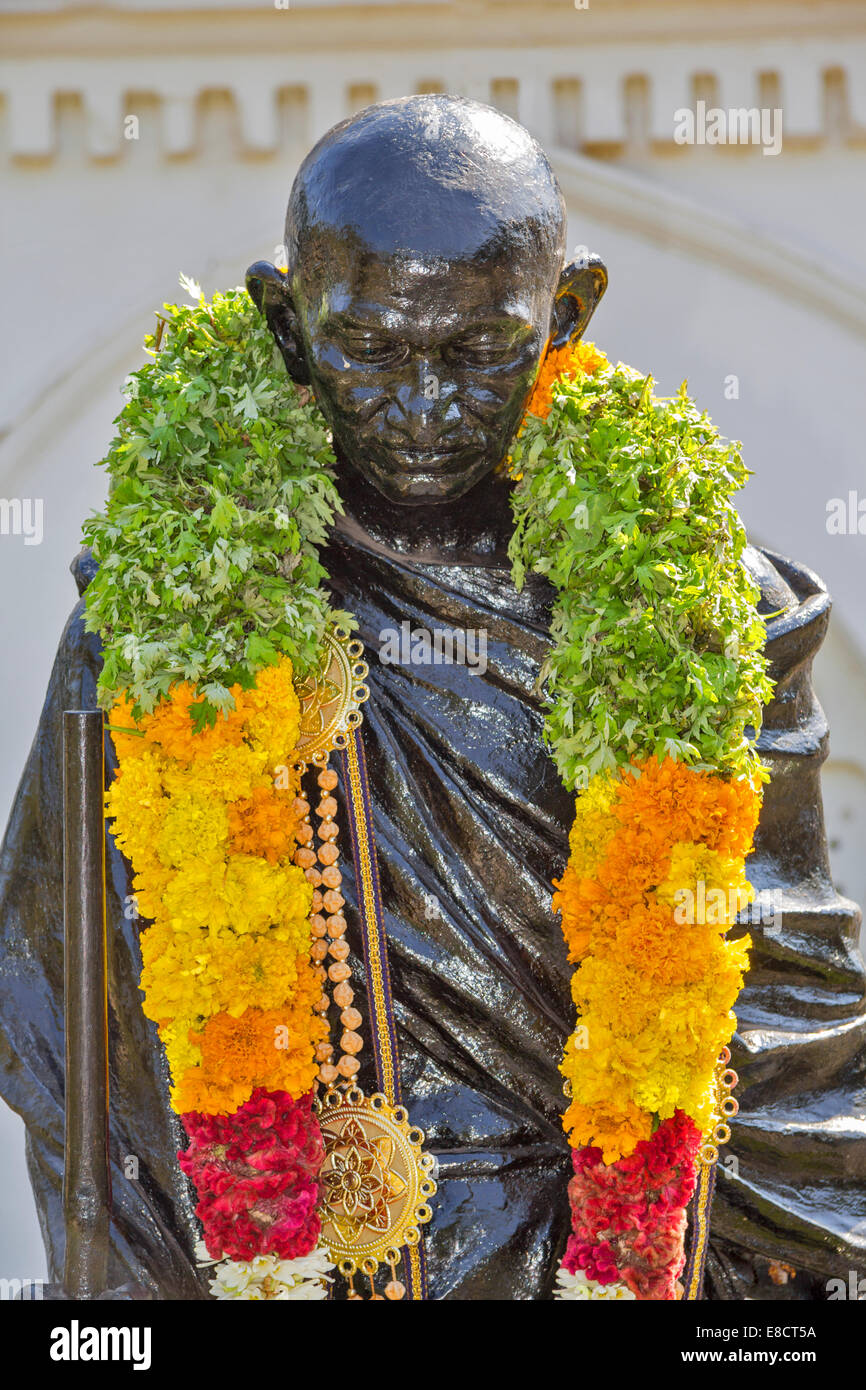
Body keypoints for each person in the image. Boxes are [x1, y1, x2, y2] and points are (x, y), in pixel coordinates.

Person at [1, 95, 863, 1300]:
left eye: (473, 352)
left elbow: (782, 1031)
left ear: (564, 314)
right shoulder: (163, 628)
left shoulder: (702, 616)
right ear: (283, 321)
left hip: (595, 1261)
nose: (419, 408)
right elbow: (61, 1018)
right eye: (368, 347)